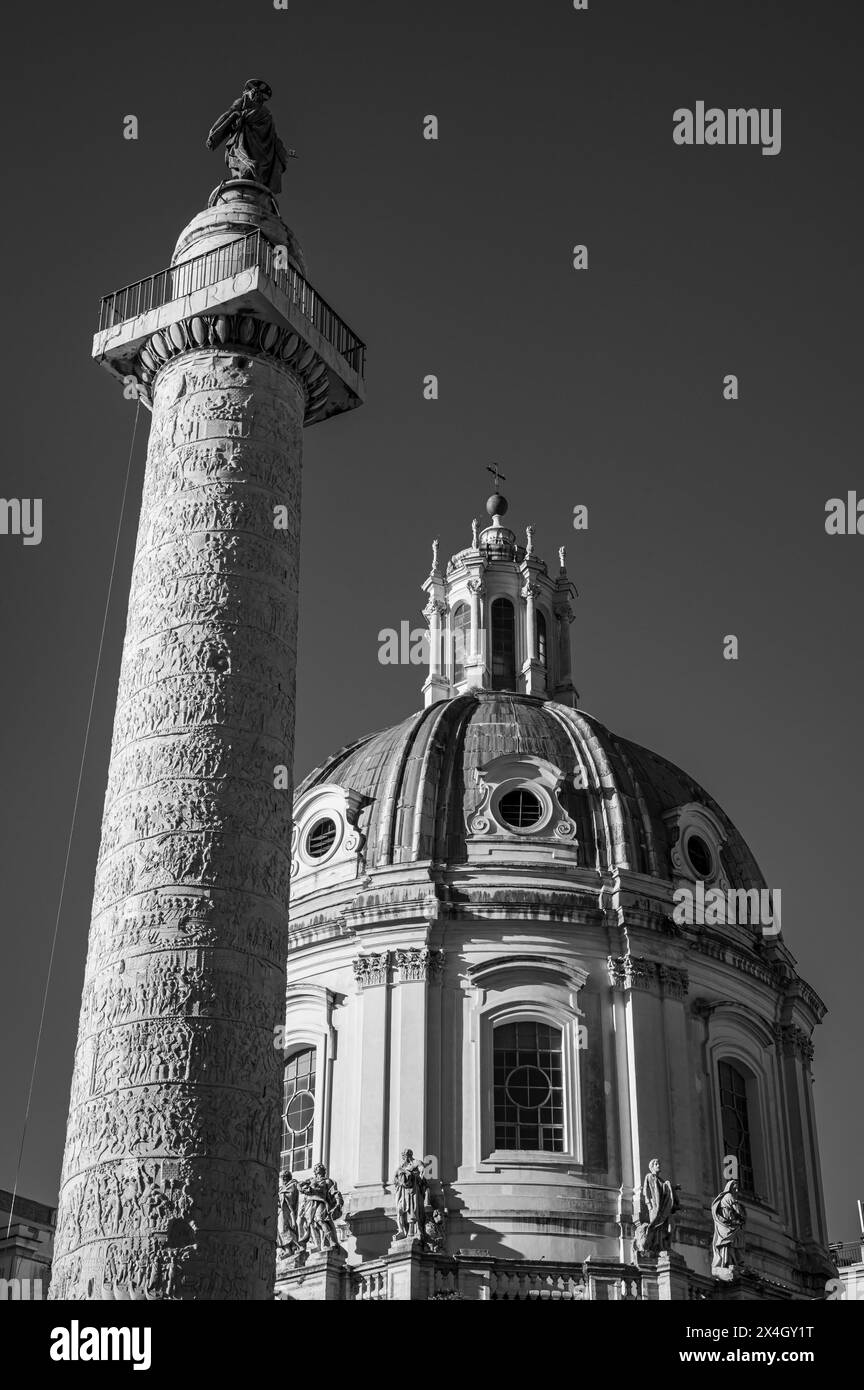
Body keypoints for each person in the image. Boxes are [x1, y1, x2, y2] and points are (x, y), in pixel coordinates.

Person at [206, 79, 293, 193]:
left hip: (261, 146)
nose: (255, 94)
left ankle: (248, 182)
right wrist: (215, 132)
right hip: (241, 140)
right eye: (253, 91)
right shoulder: (243, 102)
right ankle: (240, 180)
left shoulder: (266, 114)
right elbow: (228, 115)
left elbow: (271, 135)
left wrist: (281, 151)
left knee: (252, 167)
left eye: (258, 93)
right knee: (244, 164)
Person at [633, 1157, 680, 1256]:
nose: (658, 1166)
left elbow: (665, 1187)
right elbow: (646, 1191)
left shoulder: (660, 1180)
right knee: (655, 1225)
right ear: (652, 1167)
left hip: (661, 1208)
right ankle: (655, 1245)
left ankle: (663, 1245)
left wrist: (674, 1187)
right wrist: (649, 1205)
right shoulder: (649, 1176)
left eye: (658, 1164)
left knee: (665, 1225)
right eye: (656, 1164)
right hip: (654, 1207)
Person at [297, 1163, 343, 1252]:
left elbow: (335, 1192)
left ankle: (331, 1241)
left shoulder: (328, 1181)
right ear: (315, 1171)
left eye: (320, 1168)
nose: (319, 1169)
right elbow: (298, 1185)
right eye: (317, 1168)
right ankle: (317, 1245)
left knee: (320, 1220)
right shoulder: (311, 1180)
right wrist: (303, 1189)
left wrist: (339, 1202)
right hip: (309, 1203)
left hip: (321, 1202)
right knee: (310, 1223)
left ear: (324, 1170)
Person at [711, 1178, 746, 1278]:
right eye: (735, 1188)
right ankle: (727, 1262)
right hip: (728, 1224)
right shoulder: (729, 1196)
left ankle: (728, 1261)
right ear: (730, 1188)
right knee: (728, 1242)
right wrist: (742, 1216)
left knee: (730, 1243)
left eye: (737, 1188)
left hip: (729, 1224)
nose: (737, 1191)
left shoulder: (727, 1197)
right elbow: (737, 1209)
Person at [394, 1149, 427, 1240]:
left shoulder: (417, 1162)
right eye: (403, 1156)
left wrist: (416, 1178)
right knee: (400, 1210)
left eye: (405, 1156)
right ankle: (401, 1231)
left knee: (413, 1209)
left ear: (409, 1155)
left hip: (413, 1190)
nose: (403, 1158)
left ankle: (413, 1231)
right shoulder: (401, 1166)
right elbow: (395, 1178)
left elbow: (422, 1172)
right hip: (402, 1190)